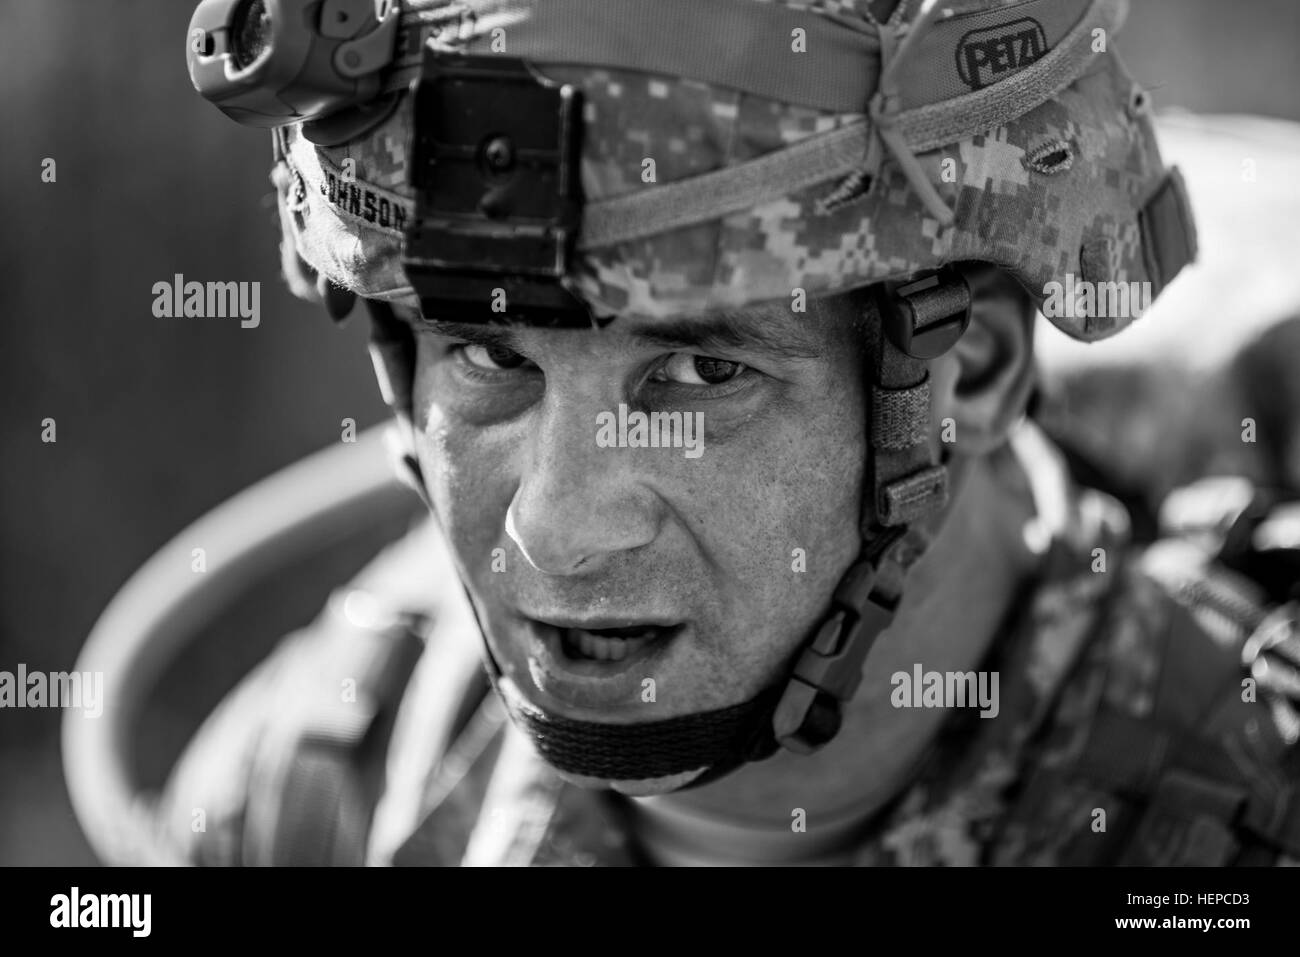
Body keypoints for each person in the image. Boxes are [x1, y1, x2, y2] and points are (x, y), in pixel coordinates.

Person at [150, 0, 1300, 865]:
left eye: (700, 371)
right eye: (493, 357)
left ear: (974, 370)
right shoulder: (326, 783)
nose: (558, 533)